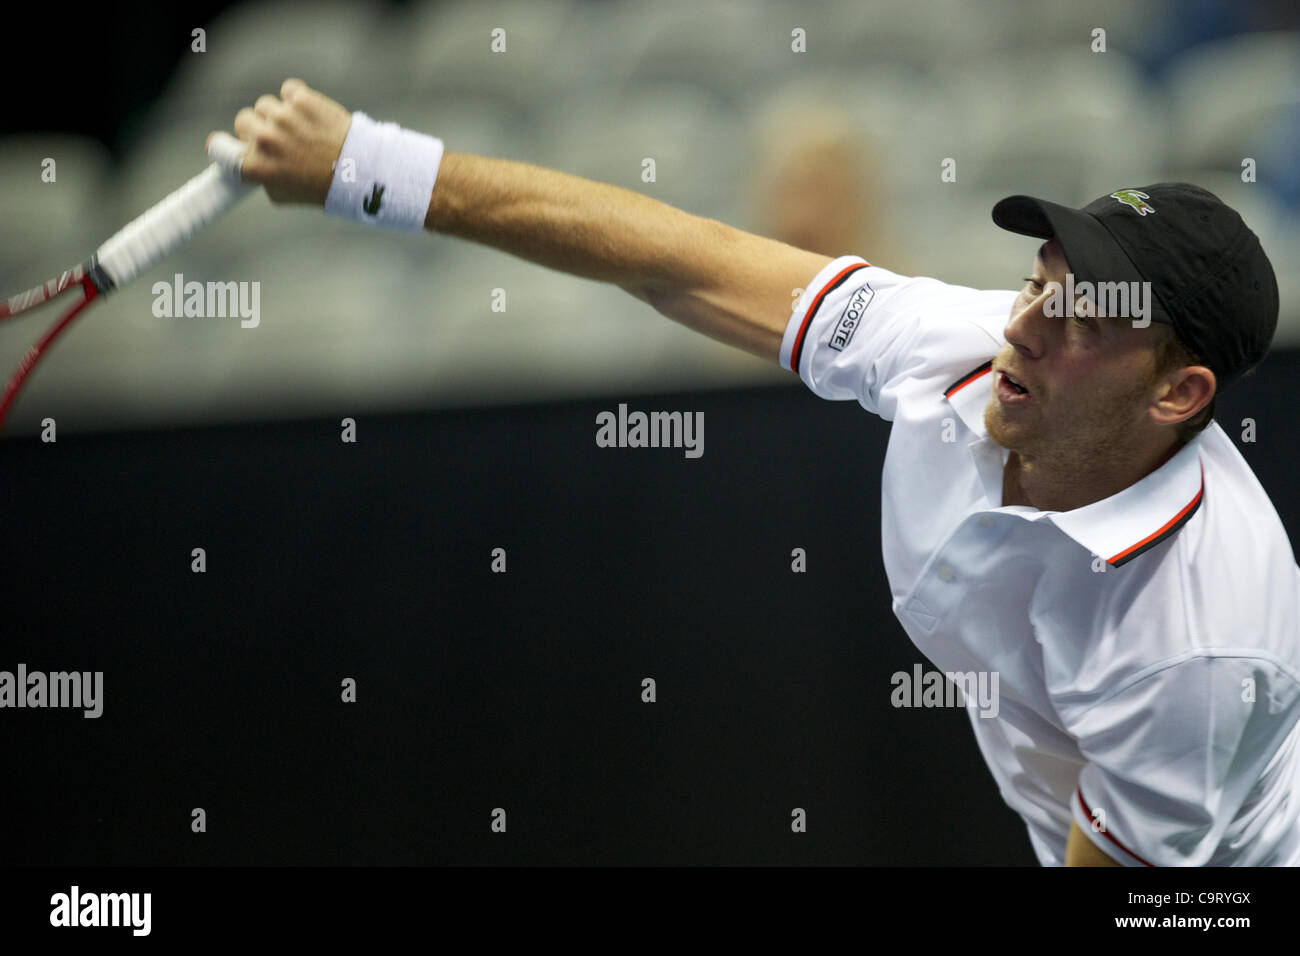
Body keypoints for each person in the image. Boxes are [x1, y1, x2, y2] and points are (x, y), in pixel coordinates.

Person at [214, 78, 1299, 866]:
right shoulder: (960, 346)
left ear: (1178, 393)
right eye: (1035, 282)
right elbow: (672, 257)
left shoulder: (1196, 647)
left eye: (1081, 319)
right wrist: (367, 163)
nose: (1024, 327)